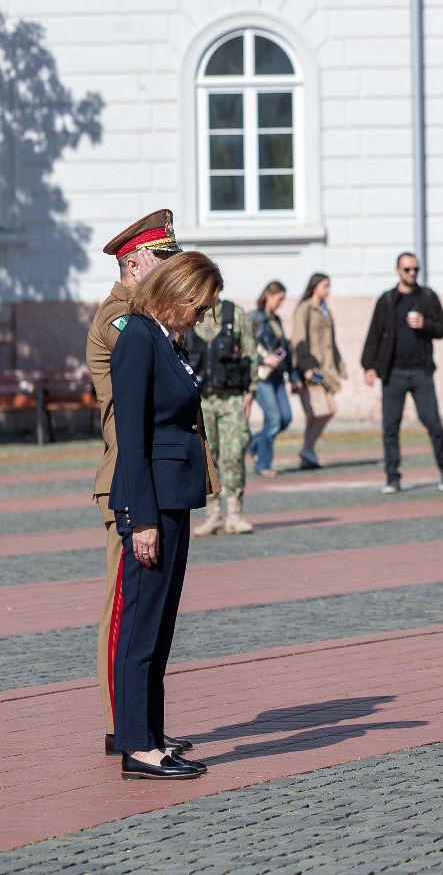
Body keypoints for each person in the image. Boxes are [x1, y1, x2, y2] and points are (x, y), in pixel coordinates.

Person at [108, 250, 223, 781]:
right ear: (177, 294)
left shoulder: (163, 338)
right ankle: (136, 746)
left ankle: (151, 737)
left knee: (160, 627)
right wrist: (142, 519)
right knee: (140, 627)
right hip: (152, 501)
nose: (203, 315)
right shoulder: (137, 338)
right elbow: (131, 437)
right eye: (200, 305)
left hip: (174, 498)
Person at [84, 208, 187, 756]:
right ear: (135, 262)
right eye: (162, 259)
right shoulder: (120, 319)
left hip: (149, 476)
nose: (170, 269)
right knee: (124, 608)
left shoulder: (152, 316)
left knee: (149, 612)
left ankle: (140, 723)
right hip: (129, 479)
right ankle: (118, 725)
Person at [361, 252, 443, 493]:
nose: (412, 273)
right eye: (407, 269)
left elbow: (442, 328)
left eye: (415, 269)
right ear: (398, 271)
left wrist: (426, 325)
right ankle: (392, 476)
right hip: (394, 373)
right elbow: (374, 333)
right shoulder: (388, 300)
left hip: (421, 372)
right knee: (390, 427)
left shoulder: (428, 296)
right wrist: (369, 365)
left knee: (433, 422)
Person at [186, 297, 258, 536]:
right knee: (205, 458)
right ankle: (213, 514)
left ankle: (235, 514)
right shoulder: (187, 313)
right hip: (201, 400)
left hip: (232, 399)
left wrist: (251, 390)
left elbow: (249, 351)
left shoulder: (234, 314)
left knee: (234, 453)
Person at [292, 273, 344, 469]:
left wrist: (340, 364)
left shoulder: (325, 310)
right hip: (311, 369)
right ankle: (307, 449)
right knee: (324, 410)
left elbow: (331, 341)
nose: (328, 290)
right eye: (325, 286)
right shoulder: (304, 309)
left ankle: (308, 450)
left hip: (325, 369)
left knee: (320, 412)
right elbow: (298, 338)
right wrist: (304, 367)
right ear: (314, 286)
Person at [247, 281, 294, 479]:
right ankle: (263, 463)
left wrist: (293, 375)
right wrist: (263, 359)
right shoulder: (253, 318)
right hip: (261, 376)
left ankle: (254, 444)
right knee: (273, 419)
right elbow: (244, 346)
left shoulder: (276, 319)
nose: (280, 303)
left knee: (285, 418)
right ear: (268, 294)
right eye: (278, 298)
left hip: (277, 375)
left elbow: (285, 348)